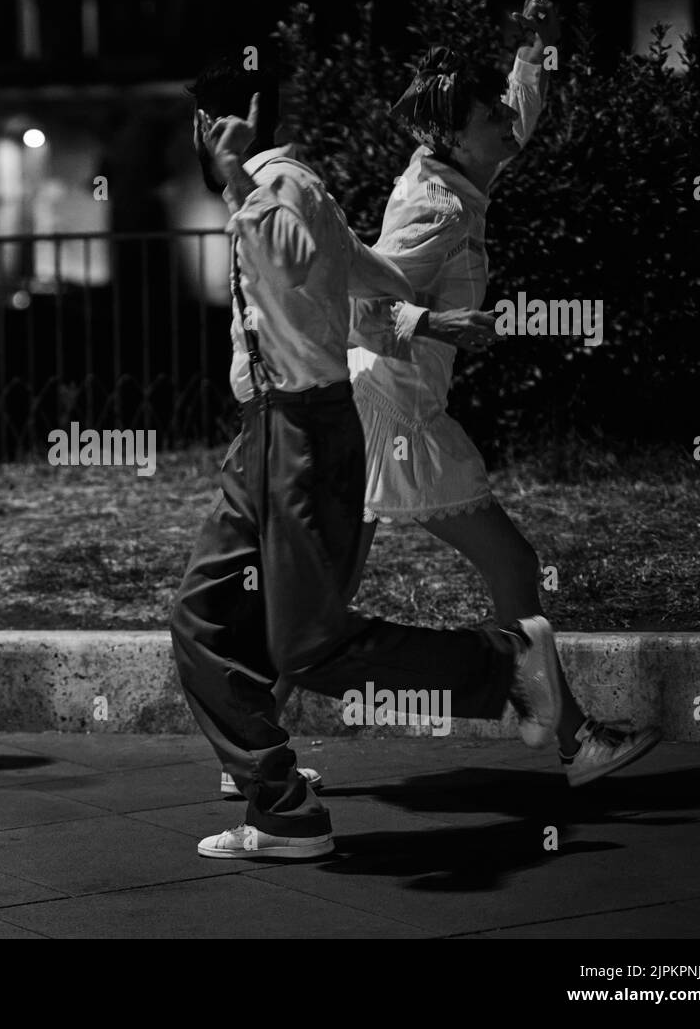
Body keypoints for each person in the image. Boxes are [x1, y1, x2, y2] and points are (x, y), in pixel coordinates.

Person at [171, 55, 564, 862]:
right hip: (276, 431)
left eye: (195, 121)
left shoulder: (273, 191)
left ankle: (504, 661)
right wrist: (431, 323)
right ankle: (279, 799)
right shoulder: (300, 186)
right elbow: (362, 276)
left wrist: (233, 184)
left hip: (300, 429)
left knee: (307, 642)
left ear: (217, 122)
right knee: (206, 616)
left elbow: (285, 259)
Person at [323, 0, 659, 787]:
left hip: (391, 404)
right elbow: (365, 311)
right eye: (490, 118)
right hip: (393, 409)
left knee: (324, 598)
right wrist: (441, 322)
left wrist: (530, 49)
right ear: (450, 135)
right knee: (513, 560)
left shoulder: (466, 170)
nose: (508, 126)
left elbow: (521, 116)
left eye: (501, 113)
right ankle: (571, 737)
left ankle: (252, 753)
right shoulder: (434, 205)